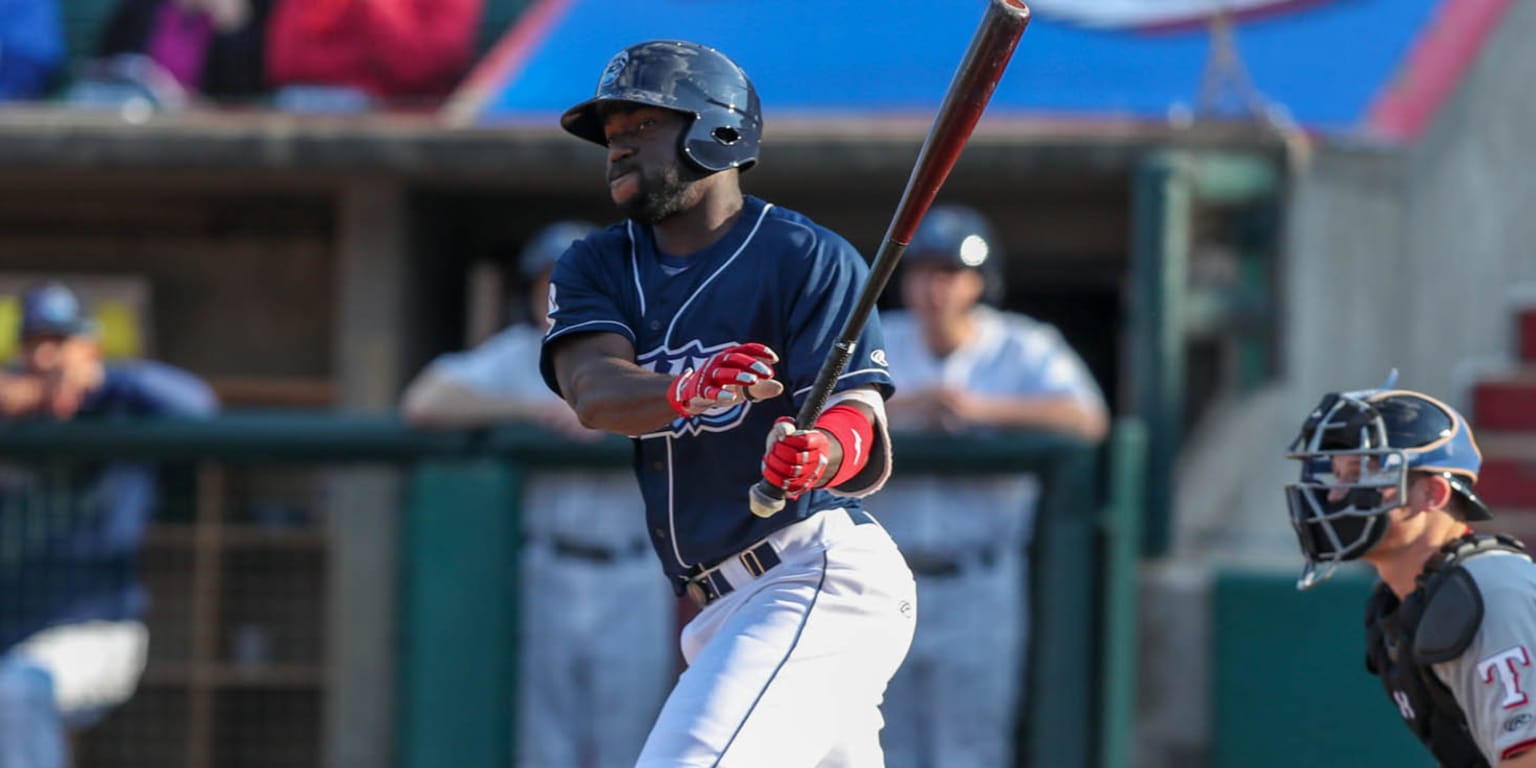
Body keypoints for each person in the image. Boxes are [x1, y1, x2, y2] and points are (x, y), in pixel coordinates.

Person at [541, 39, 916, 766]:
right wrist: (685, 388)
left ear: (714, 129)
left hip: (813, 576)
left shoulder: (807, 257)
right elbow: (595, 391)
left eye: (640, 127)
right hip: (718, 607)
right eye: (610, 135)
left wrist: (820, 453)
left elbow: (854, 415)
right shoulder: (596, 264)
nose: (616, 149)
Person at [401, 220, 674, 768]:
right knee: (544, 747)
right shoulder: (521, 355)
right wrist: (530, 411)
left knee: (635, 746)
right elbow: (424, 402)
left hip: (634, 570)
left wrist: (623, 413)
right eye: (546, 285)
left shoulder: (651, 348)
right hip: (547, 565)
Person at [868, 204, 1108, 768]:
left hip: (979, 578)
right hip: (885, 578)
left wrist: (981, 410)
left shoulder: (1020, 346)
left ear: (979, 282)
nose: (935, 289)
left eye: (951, 273)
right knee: (880, 747)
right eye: (925, 271)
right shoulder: (881, 337)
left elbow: (1087, 419)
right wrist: (907, 408)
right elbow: (818, 411)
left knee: (970, 750)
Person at [0, 281, 218, 768]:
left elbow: (200, 407)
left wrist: (101, 381)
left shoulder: (123, 407)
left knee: (17, 690)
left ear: (90, 348)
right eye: (36, 343)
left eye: (62, 342)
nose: (48, 357)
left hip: (95, 630)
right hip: (9, 627)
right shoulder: (10, 408)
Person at [1285, 383, 1536, 767]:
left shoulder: (1489, 590)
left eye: (1358, 474)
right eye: (1337, 476)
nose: (1334, 496)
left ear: (1433, 495)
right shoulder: (1402, 599)